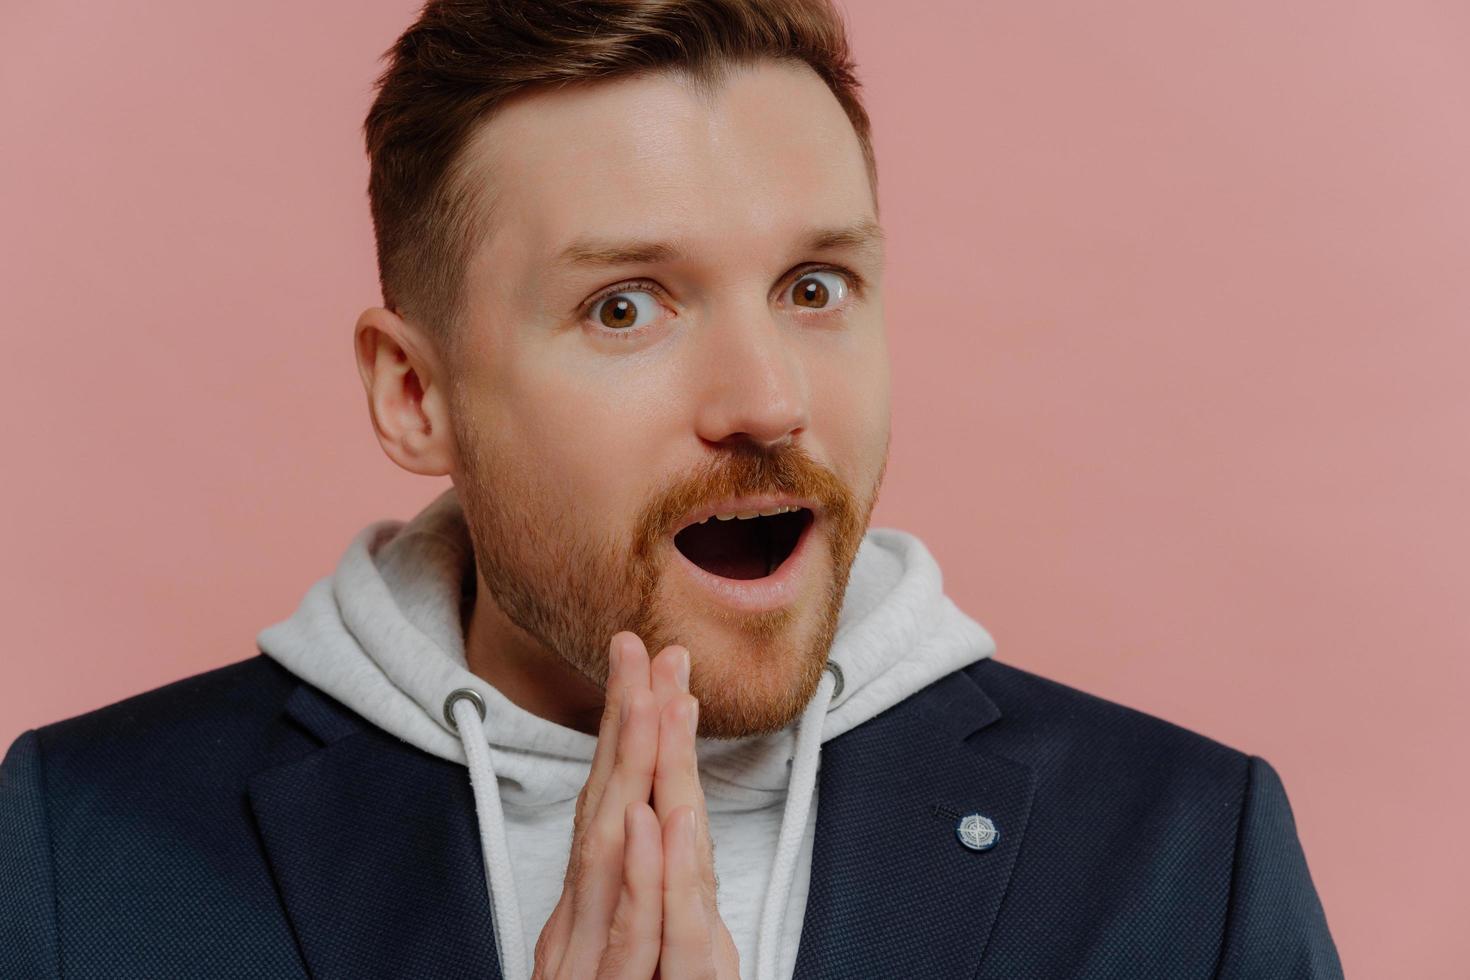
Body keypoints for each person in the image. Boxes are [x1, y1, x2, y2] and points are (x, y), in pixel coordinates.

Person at [0, 1, 1344, 977]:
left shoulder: (1182, 858)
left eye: (815, 287)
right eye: (626, 305)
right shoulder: (77, 852)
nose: (764, 398)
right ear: (416, 396)